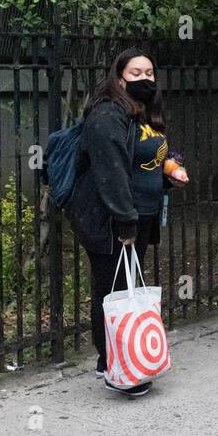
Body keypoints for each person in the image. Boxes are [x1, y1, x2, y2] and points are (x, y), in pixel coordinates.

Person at [68, 48, 187, 398]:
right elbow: (111, 171)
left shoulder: (142, 114)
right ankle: (116, 365)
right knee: (113, 290)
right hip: (110, 219)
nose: (145, 79)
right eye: (136, 73)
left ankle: (119, 358)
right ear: (119, 78)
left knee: (125, 287)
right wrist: (125, 222)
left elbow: (143, 163)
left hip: (138, 215)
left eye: (149, 72)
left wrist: (169, 175)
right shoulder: (108, 115)